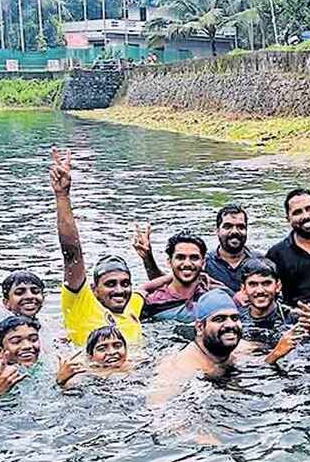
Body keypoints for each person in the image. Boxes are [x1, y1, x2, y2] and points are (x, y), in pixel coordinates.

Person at [50, 148, 144, 347]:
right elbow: (71, 253)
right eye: (110, 284)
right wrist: (62, 196)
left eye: (125, 283)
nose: (120, 290)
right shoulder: (82, 303)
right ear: (94, 289)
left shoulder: (132, 307)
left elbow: (146, 288)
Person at [149, 289, 245, 404]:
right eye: (219, 319)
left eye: (235, 318)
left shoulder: (241, 348)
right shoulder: (179, 371)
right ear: (200, 328)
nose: (230, 325)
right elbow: (157, 409)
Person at [135, 230, 222, 322]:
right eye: (180, 257)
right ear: (169, 262)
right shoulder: (151, 302)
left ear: (203, 262)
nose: (187, 263)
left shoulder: (215, 296)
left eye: (194, 258)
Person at [236, 257, 298, 345]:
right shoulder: (236, 319)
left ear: (278, 286)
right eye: (253, 284)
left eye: (266, 283)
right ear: (243, 289)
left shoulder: (294, 319)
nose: (260, 290)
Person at [202, 203, 260, 294]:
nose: (235, 231)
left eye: (240, 227)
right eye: (228, 227)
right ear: (217, 231)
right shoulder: (205, 263)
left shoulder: (260, 261)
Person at [56, 325, 132, 387]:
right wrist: (61, 380)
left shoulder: (135, 365)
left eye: (117, 346)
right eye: (102, 349)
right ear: (90, 357)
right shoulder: (86, 374)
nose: (111, 352)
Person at [0, 316, 42, 396]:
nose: (27, 346)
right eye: (16, 341)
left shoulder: (50, 369)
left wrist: (61, 384)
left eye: (33, 339)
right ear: (0, 352)